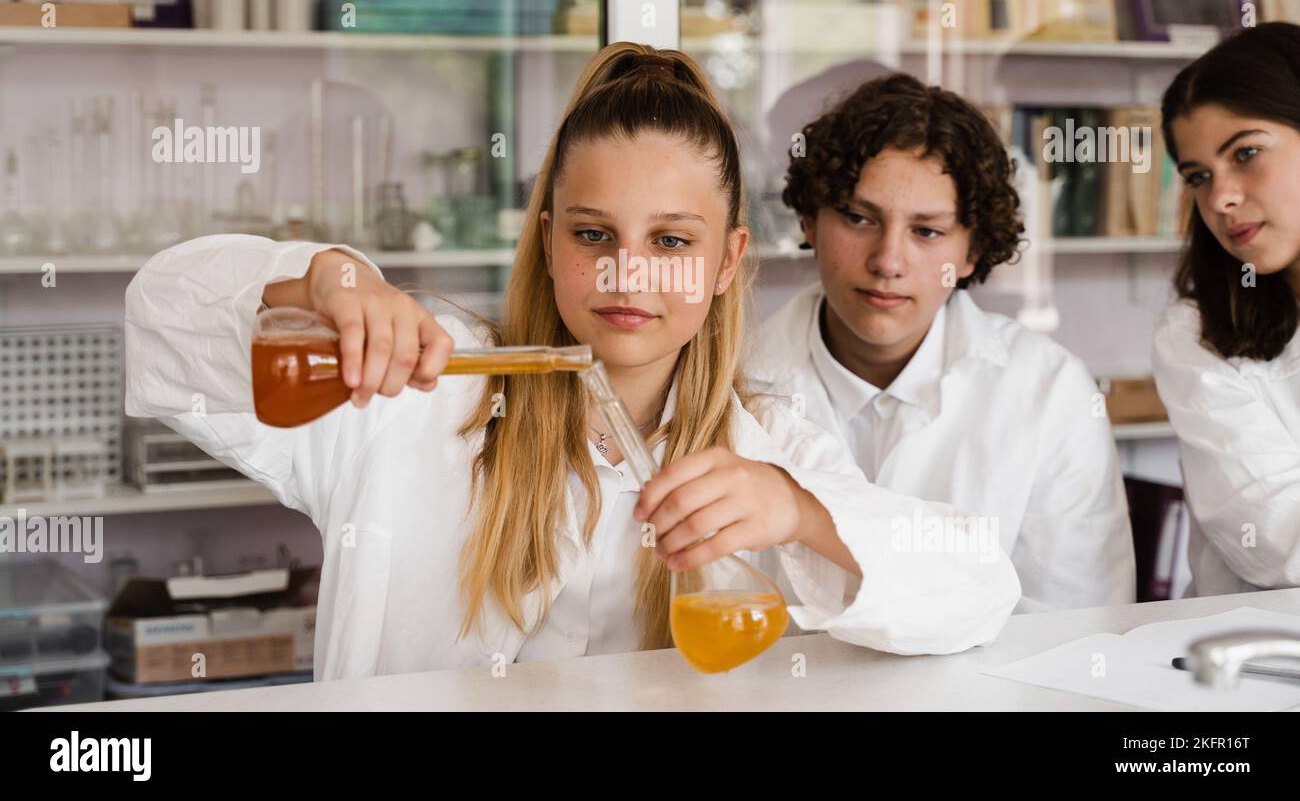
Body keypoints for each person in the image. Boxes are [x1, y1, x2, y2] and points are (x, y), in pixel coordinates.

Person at [125, 43, 1022, 681]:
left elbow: (978, 588)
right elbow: (158, 317)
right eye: (595, 234)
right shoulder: (416, 386)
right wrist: (320, 279)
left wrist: (800, 512)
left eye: (671, 240)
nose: (628, 272)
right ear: (550, 241)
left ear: (725, 262)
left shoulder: (764, 449)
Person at [748, 72, 1136, 613]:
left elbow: (1078, 625)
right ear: (810, 220)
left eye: (926, 232)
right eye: (859, 218)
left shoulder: (1050, 391)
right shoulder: (731, 379)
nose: (887, 261)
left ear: (974, 251)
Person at [1152, 22, 1300, 597]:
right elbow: (1272, 538)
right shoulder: (1196, 335)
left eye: (1246, 154)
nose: (1221, 199)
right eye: (1198, 177)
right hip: (1261, 667)